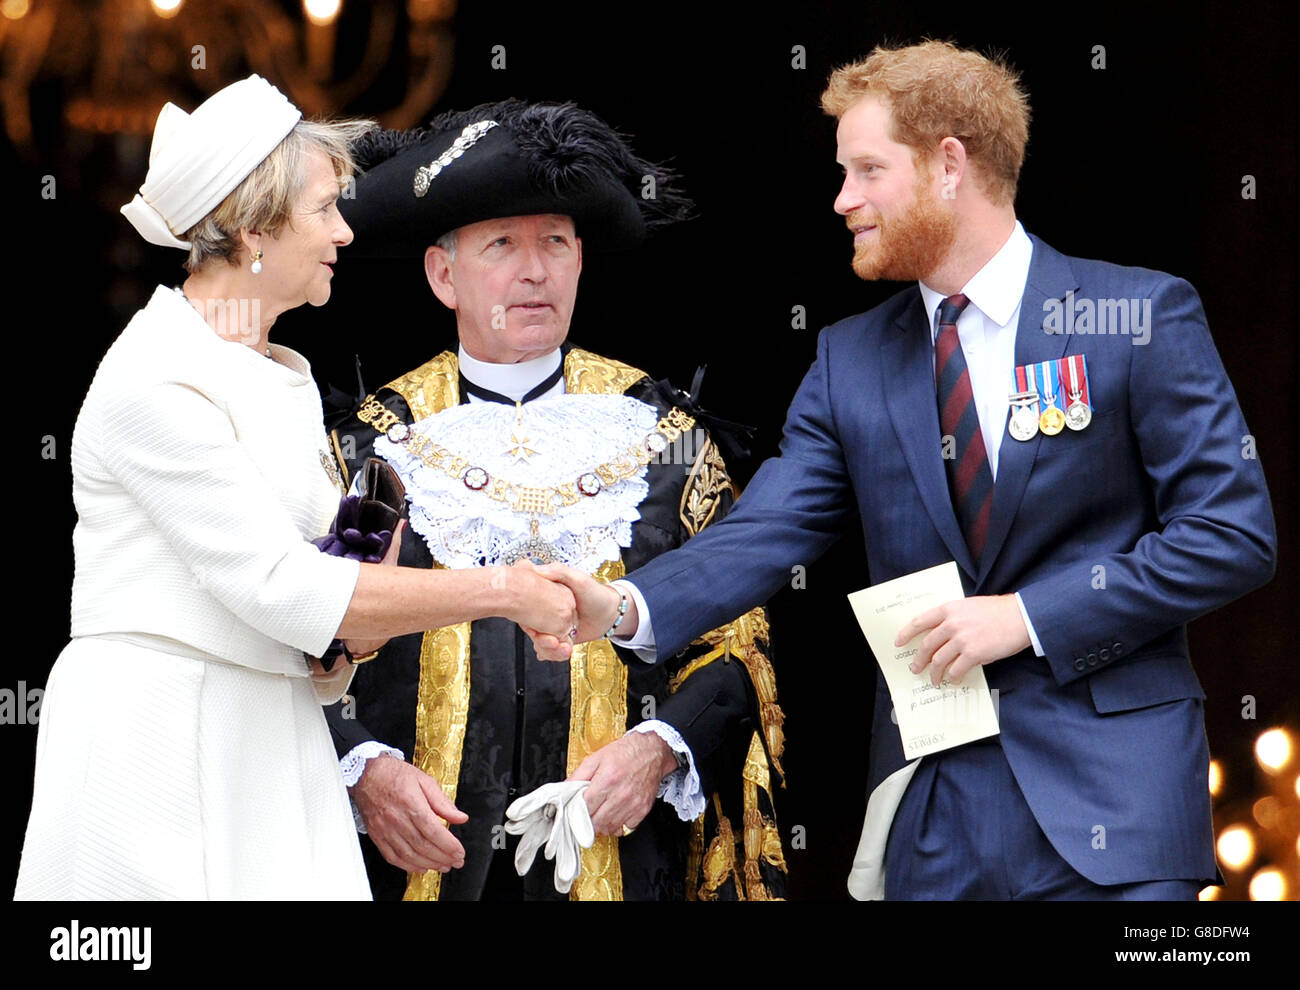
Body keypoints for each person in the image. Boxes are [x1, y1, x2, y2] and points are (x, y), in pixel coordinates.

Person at [536, 41, 1277, 900]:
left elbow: (1232, 536)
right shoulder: (850, 358)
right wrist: (622, 603)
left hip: (1120, 812)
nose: (843, 200)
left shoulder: (1136, 315)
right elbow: (767, 530)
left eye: (866, 170)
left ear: (949, 164)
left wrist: (1029, 617)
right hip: (936, 821)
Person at [14, 76, 577, 901]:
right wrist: (506, 590)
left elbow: (312, 621)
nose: (345, 232)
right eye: (324, 210)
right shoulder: (155, 377)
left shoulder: (275, 372)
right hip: (160, 747)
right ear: (251, 227)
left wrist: (352, 625)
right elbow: (283, 589)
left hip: (268, 738)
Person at [322, 100, 787, 900]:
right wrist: (360, 768)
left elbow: (740, 646)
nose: (535, 271)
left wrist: (661, 748)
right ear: (443, 274)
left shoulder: (670, 439)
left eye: (557, 244)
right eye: (503, 243)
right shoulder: (366, 453)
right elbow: (296, 636)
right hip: (407, 870)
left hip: (624, 864)